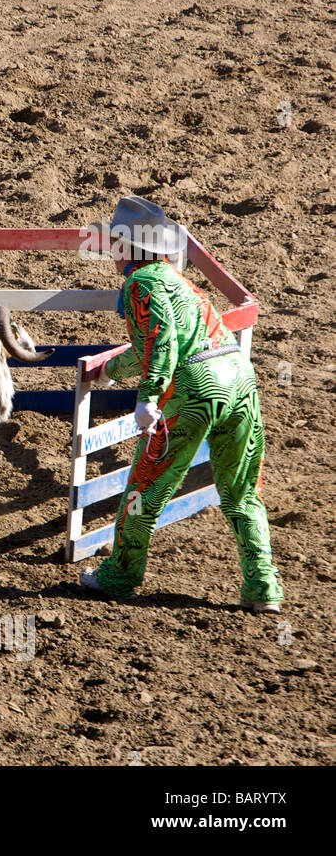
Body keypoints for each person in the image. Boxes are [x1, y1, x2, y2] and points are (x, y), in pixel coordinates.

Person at [79, 196, 283, 613]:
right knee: (243, 491)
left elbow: (162, 344)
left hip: (195, 389)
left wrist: (148, 397)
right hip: (239, 377)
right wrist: (113, 370)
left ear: (129, 246)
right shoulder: (178, 282)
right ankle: (263, 588)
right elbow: (158, 342)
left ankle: (120, 576)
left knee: (144, 489)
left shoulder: (140, 284)